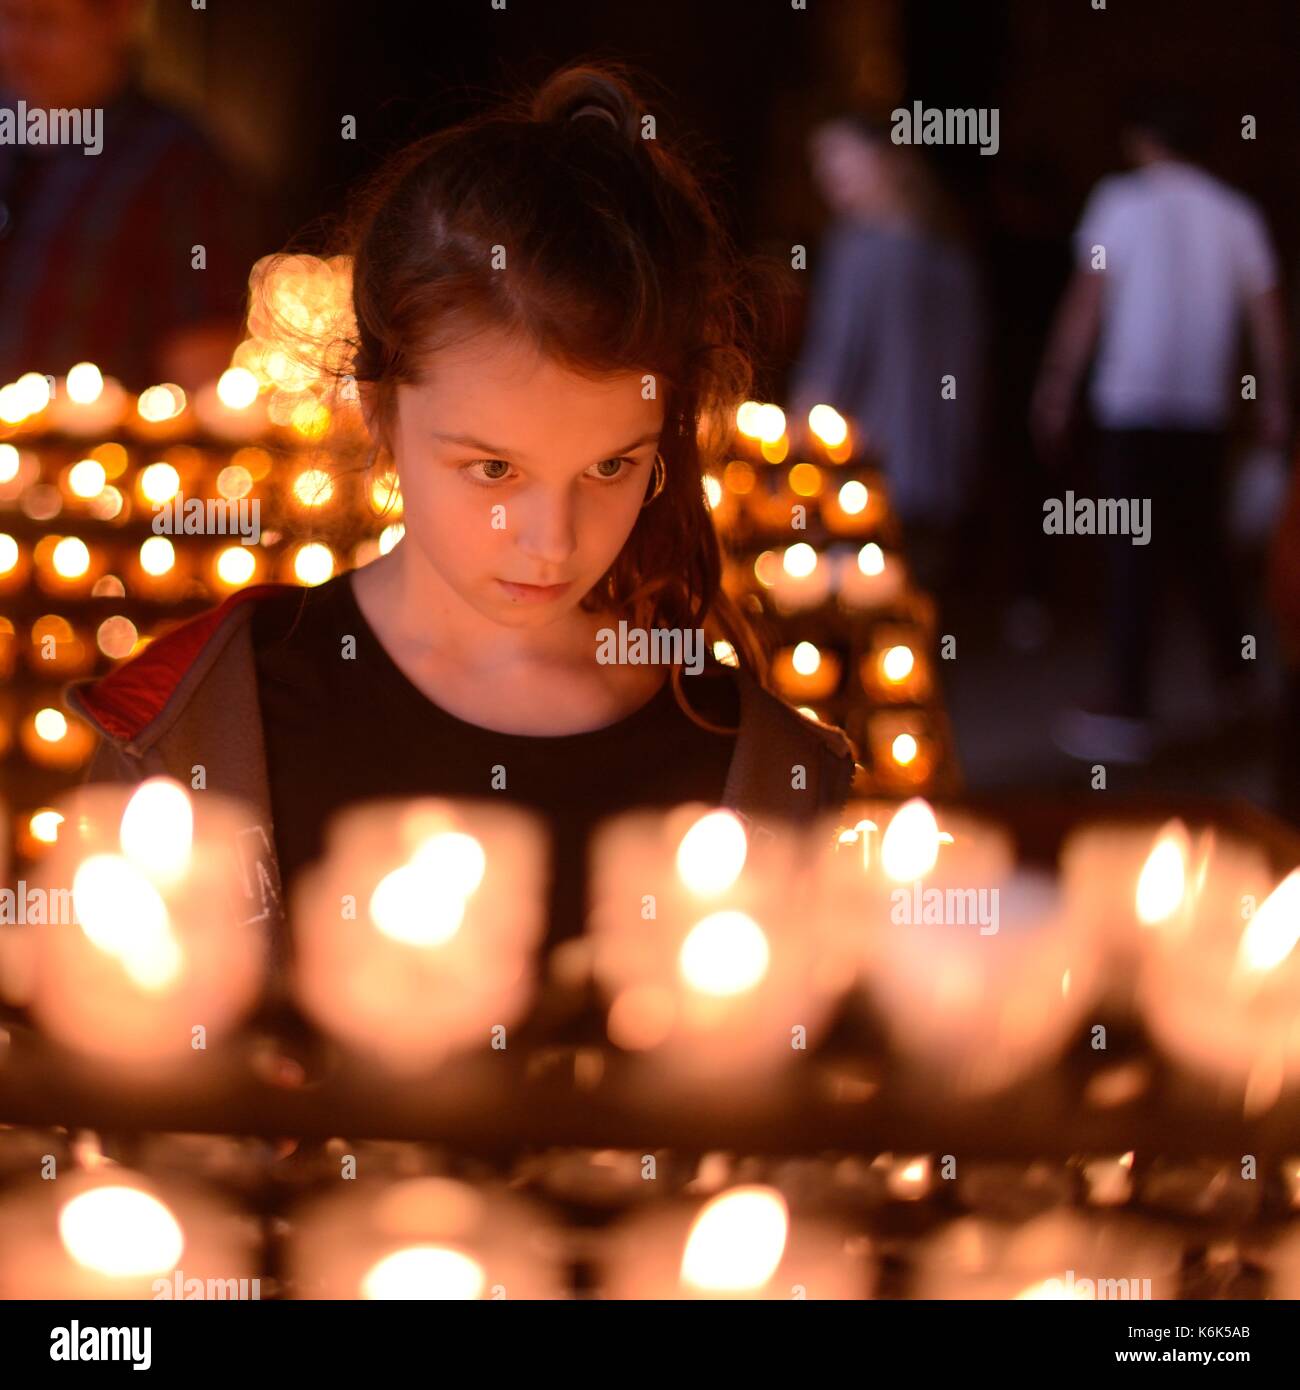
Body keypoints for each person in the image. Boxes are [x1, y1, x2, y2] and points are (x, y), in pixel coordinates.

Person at [62, 63, 859, 964]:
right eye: (491, 467)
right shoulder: (203, 723)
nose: (551, 540)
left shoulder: (758, 772)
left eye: (611, 464)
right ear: (380, 409)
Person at [1033, 96, 1289, 764]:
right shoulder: (1235, 213)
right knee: (1204, 544)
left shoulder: (1119, 202)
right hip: (1199, 408)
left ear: (1141, 140)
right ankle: (1237, 680)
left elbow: (1088, 299)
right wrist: (1274, 398)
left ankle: (1130, 703)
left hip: (1131, 403)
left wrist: (1059, 382)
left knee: (1131, 548)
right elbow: (1266, 314)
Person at [0, 0, 262, 391]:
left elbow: (202, 362)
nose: (17, 44)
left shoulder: (178, 162)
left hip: (98, 448)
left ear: (117, 19)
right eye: (8, 18)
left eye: (45, 22)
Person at [789, 113, 986, 600]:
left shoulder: (858, 249)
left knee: (860, 604)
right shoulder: (947, 241)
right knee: (920, 595)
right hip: (936, 454)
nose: (825, 175)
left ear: (882, 159)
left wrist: (796, 438)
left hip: (863, 455)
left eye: (837, 159)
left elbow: (834, 356)